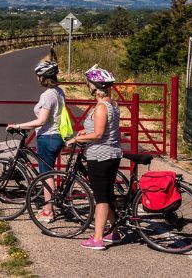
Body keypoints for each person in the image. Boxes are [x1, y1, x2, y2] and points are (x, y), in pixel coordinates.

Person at [66, 64, 123, 250]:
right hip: (112, 154)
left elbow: (98, 134)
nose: (87, 85)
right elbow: (105, 129)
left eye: (89, 82)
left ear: (95, 86)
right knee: (107, 195)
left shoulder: (100, 107)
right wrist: (86, 130)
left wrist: (77, 138)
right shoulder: (113, 104)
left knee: (101, 199)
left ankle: (98, 238)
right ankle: (114, 232)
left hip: (100, 156)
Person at [6, 60, 66, 221]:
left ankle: (48, 210)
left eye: (38, 76)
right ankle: (50, 207)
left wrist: (18, 125)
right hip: (57, 135)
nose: (37, 79)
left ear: (43, 77)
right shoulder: (59, 92)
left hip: (48, 137)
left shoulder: (47, 95)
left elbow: (41, 121)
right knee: (49, 172)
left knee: (46, 174)